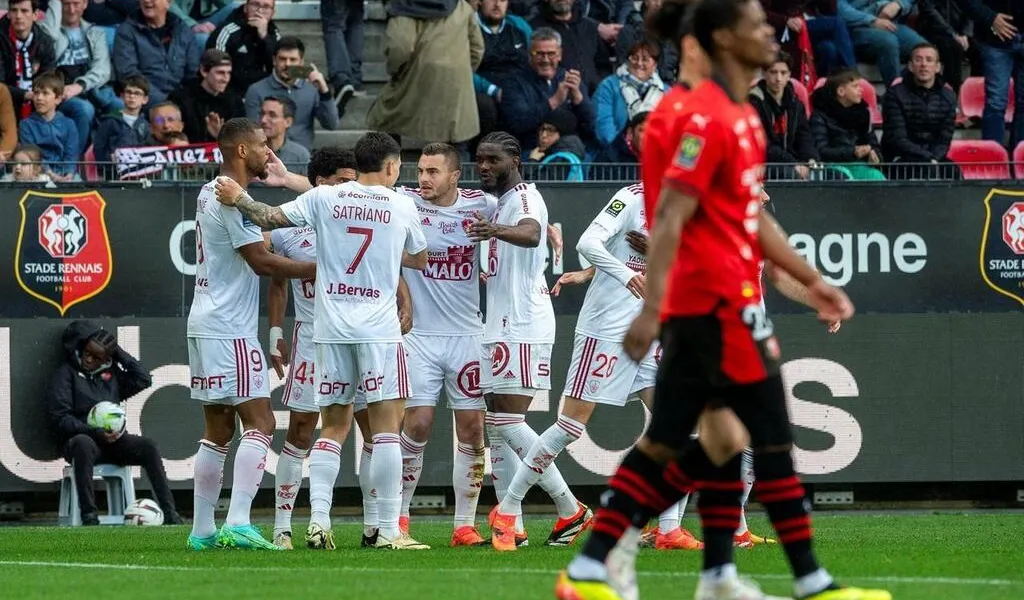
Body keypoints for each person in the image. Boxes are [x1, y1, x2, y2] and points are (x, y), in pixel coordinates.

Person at [557, 1, 890, 600]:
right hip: (711, 304)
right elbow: (673, 215)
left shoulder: (741, 114)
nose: (770, 32)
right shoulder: (696, 117)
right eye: (755, 24)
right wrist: (655, 307)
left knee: (706, 443)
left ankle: (654, 568)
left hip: (728, 300)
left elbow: (753, 215)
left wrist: (810, 280)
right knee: (767, 437)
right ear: (720, 38)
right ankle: (811, 582)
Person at [213, 131, 432, 550]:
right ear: (391, 167)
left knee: (331, 428)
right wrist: (386, 252)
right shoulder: (401, 204)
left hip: (329, 332)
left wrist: (238, 196)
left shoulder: (325, 200)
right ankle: (388, 529)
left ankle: (317, 523)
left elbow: (267, 216)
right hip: (378, 332)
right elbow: (419, 259)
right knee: (386, 431)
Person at [499, 109, 703, 553]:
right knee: (570, 427)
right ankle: (508, 508)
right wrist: (625, 274)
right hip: (606, 328)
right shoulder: (630, 197)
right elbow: (589, 243)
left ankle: (668, 529)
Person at [184, 117, 316, 551]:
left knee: (217, 430)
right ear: (241, 150)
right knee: (260, 422)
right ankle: (239, 520)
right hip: (230, 329)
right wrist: (323, 268)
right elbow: (262, 262)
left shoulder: (210, 191)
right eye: (261, 144)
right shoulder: (231, 200)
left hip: (205, 322)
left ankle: (202, 531)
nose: (268, 151)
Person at [468, 131, 592, 552]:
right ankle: (519, 525)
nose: (483, 167)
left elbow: (531, 233)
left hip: (521, 322)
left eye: (492, 160)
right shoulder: (501, 200)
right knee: (499, 425)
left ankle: (564, 507)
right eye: (479, 160)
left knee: (506, 422)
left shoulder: (523, 197)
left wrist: (493, 230)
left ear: (515, 159)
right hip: (502, 323)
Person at [389, 143, 496, 547]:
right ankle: (398, 519)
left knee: (472, 430)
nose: (424, 179)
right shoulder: (403, 202)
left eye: (433, 172)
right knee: (416, 423)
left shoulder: (481, 205)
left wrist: (546, 230)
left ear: (455, 176)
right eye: (420, 171)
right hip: (418, 337)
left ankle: (463, 524)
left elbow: (522, 216)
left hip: (467, 336)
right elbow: (347, 192)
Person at [266, 147, 356, 551]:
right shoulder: (288, 227)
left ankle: (376, 525)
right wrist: (274, 334)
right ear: (321, 184)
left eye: (355, 180)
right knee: (300, 429)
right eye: (343, 181)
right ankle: (282, 525)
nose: (352, 189)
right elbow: (277, 282)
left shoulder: (359, 218)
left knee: (371, 429)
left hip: (358, 336)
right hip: (309, 337)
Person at [46, 321, 183, 526]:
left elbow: (143, 379)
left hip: (113, 442)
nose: (89, 359)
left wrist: (118, 352)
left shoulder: (111, 376)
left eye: (96, 357)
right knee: (83, 443)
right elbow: (60, 419)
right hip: (81, 443)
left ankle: (170, 514)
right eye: (86, 354)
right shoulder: (66, 374)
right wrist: (94, 432)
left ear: (106, 359)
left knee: (148, 447)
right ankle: (89, 517)